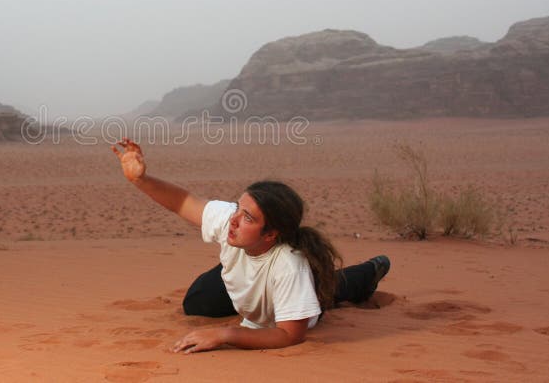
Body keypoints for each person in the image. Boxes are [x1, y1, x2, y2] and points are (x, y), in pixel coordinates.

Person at [111, 138, 390, 354]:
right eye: (239, 208)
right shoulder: (232, 221)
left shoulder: (290, 267)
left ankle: (368, 272)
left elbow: (290, 335)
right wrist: (140, 179)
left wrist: (225, 334)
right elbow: (184, 202)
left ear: (271, 234)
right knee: (196, 301)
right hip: (250, 271)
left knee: (329, 290)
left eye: (248, 217)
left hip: (290, 289)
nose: (234, 219)